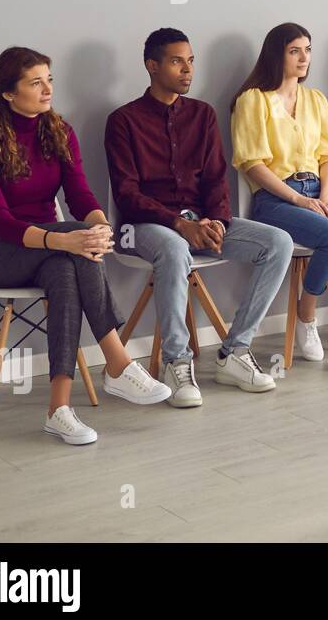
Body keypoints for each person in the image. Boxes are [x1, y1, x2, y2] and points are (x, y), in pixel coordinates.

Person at [0, 46, 171, 445]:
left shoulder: (58, 131)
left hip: (45, 248)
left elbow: (81, 198)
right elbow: (0, 221)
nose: (46, 89)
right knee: (68, 250)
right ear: (8, 93)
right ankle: (117, 361)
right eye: (35, 82)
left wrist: (101, 228)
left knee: (64, 268)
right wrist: (64, 238)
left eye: (49, 79)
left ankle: (59, 410)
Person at [105, 28, 293, 407]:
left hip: (203, 220)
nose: (188, 70)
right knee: (175, 248)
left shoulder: (203, 115)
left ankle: (234, 352)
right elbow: (127, 194)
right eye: (177, 61)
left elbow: (215, 179)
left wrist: (218, 221)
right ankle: (177, 362)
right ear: (152, 66)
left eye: (191, 61)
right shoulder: (123, 120)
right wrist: (180, 224)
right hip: (142, 227)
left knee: (278, 242)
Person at [231, 23, 328, 375]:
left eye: (308, 49)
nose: (304, 58)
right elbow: (253, 165)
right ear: (277, 55)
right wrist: (299, 201)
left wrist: (327, 196)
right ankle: (306, 314)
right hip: (275, 200)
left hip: (319, 191)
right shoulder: (252, 100)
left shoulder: (315, 100)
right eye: (294, 51)